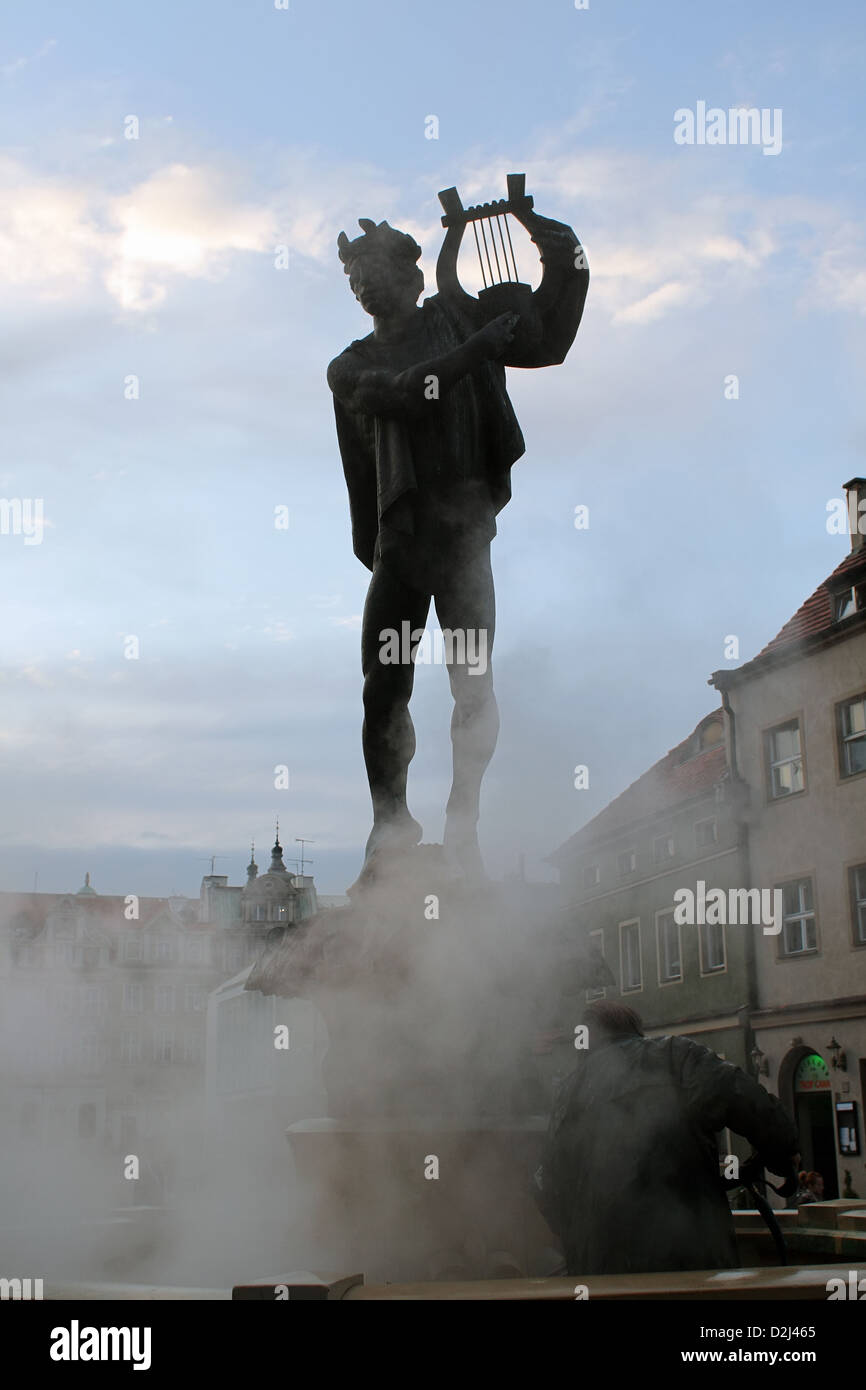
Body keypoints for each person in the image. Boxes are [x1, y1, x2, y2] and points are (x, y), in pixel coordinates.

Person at [327, 204, 588, 874]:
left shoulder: (454, 313)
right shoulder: (351, 365)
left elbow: (545, 340)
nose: (363, 287)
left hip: (464, 537)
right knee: (383, 685)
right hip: (404, 543)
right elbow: (410, 390)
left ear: (413, 277)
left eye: (374, 272)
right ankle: (390, 828)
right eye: (354, 280)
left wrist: (566, 259)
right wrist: (479, 348)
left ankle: (462, 823)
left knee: (472, 686)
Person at [535, 1000, 800, 1275]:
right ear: (635, 1030)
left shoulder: (569, 1092)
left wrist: (579, 1235)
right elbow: (740, 1095)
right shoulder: (674, 1056)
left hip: (601, 1275)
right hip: (689, 1260)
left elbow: (546, 1186)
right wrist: (783, 1154)